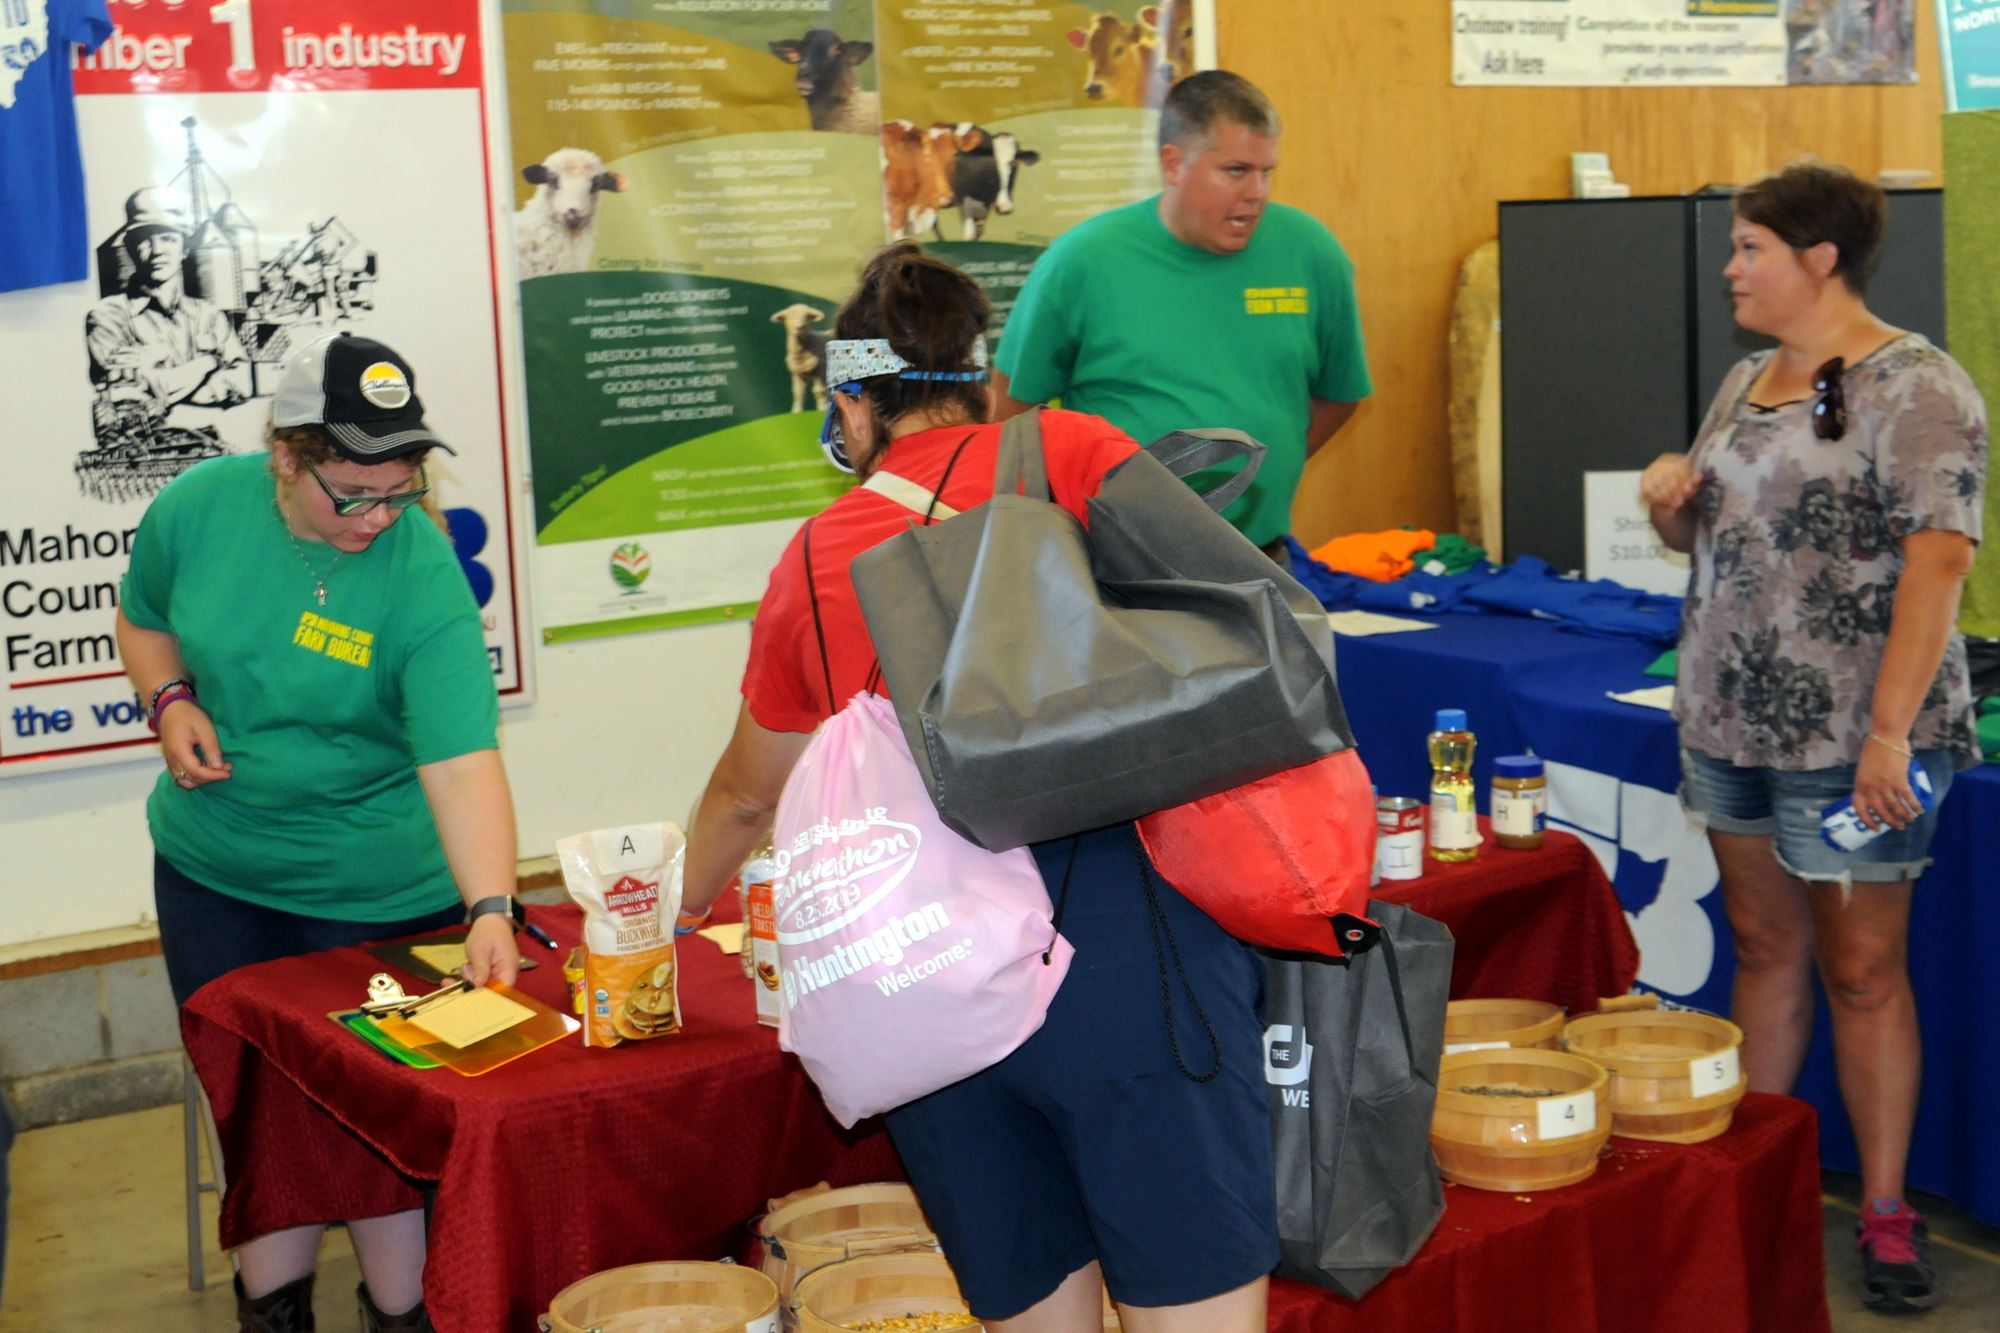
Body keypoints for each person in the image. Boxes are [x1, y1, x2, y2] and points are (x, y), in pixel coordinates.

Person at [679, 242, 1275, 1333]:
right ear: (980, 380)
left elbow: (745, 796)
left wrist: (668, 908)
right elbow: (1245, 632)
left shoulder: (817, 555)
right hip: (1123, 948)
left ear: (853, 404)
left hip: (931, 989)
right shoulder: (1069, 451)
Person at [115, 331, 523, 1333]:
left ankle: (398, 1315)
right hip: (220, 874)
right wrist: (169, 699)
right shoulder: (199, 508)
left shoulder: (418, 565)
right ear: (286, 458)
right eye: (353, 495)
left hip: (380, 888)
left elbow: (461, 759)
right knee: (257, 1115)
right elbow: (142, 617)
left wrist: (491, 905)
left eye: (399, 490)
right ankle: (273, 1309)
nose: (378, 518)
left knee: (378, 1128)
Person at [1640, 161, 1986, 1314]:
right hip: (1729, 716)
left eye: (1747, 248)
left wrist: (1889, 738)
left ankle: (1882, 1215)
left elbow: (1938, 566)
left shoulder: (1917, 385)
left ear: (1817, 259)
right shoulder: (1746, 378)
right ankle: (1750, 1190)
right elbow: (1704, 539)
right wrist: (1667, 503)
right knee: (1762, 944)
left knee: (1860, 967)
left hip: (1857, 741)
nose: (1727, 267)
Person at [993, 69, 1370, 566]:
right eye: (1235, 171)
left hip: (1260, 561)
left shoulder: (1311, 252)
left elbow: (1340, 396)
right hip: (1115, 569)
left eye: (1266, 171)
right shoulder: (1082, 261)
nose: (1256, 192)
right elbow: (1008, 413)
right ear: (1173, 163)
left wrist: (1259, 465)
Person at [85, 189, 251, 421]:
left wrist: (167, 390)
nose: (157, 251)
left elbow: (243, 383)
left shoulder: (209, 315)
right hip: (144, 448)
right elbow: (129, 398)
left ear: (184, 249)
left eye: (168, 239)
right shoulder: (108, 316)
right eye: (145, 240)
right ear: (131, 249)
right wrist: (210, 362)